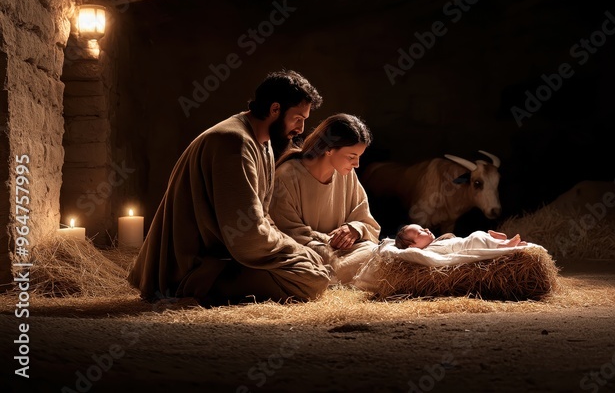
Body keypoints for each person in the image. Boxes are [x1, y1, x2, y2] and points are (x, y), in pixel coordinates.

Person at [127, 70, 333, 306]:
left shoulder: (262, 141)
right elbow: (247, 236)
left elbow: (262, 218)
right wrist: (298, 252)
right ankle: (191, 291)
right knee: (311, 279)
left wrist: (297, 251)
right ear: (275, 109)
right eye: (298, 118)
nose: (301, 128)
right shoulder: (234, 142)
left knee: (313, 269)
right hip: (197, 266)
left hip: (228, 256)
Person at [269, 113, 382, 285]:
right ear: (328, 149)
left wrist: (354, 229)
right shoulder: (286, 177)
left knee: (376, 252)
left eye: (359, 157)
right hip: (309, 253)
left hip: (345, 252)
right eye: (351, 157)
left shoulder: (347, 174)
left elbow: (366, 221)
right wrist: (327, 242)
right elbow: (284, 234)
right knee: (317, 265)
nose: (357, 164)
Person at [394, 224, 526, 253]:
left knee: (478, 235)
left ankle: (502, 241)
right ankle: (505, 245)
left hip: (464, 241)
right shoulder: (426, 252)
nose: (426, 230)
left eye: (423, 228)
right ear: (412, 246)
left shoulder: (436, 243)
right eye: (420, 232)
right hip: (467, 246)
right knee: (477, 238)